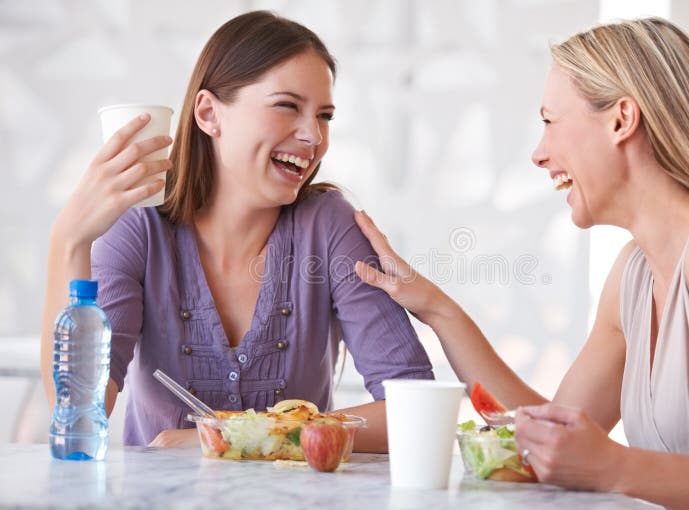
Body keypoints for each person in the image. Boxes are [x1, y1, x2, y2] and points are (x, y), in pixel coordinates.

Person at [353, 17, 689, 509]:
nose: (538, 155)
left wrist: (614, 467)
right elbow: (546, 428)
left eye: (549, 121)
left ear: (620, 120)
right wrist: (435, 307)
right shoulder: (635, 270)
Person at [39, 11, 434, 451]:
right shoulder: (141, 228)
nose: (313, 136)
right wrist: (69, 239)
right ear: (209, 113)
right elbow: (75, 411)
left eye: (324, 116)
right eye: (288, 105)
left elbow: (412, 409)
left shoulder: (329, 225)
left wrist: (232, 439)